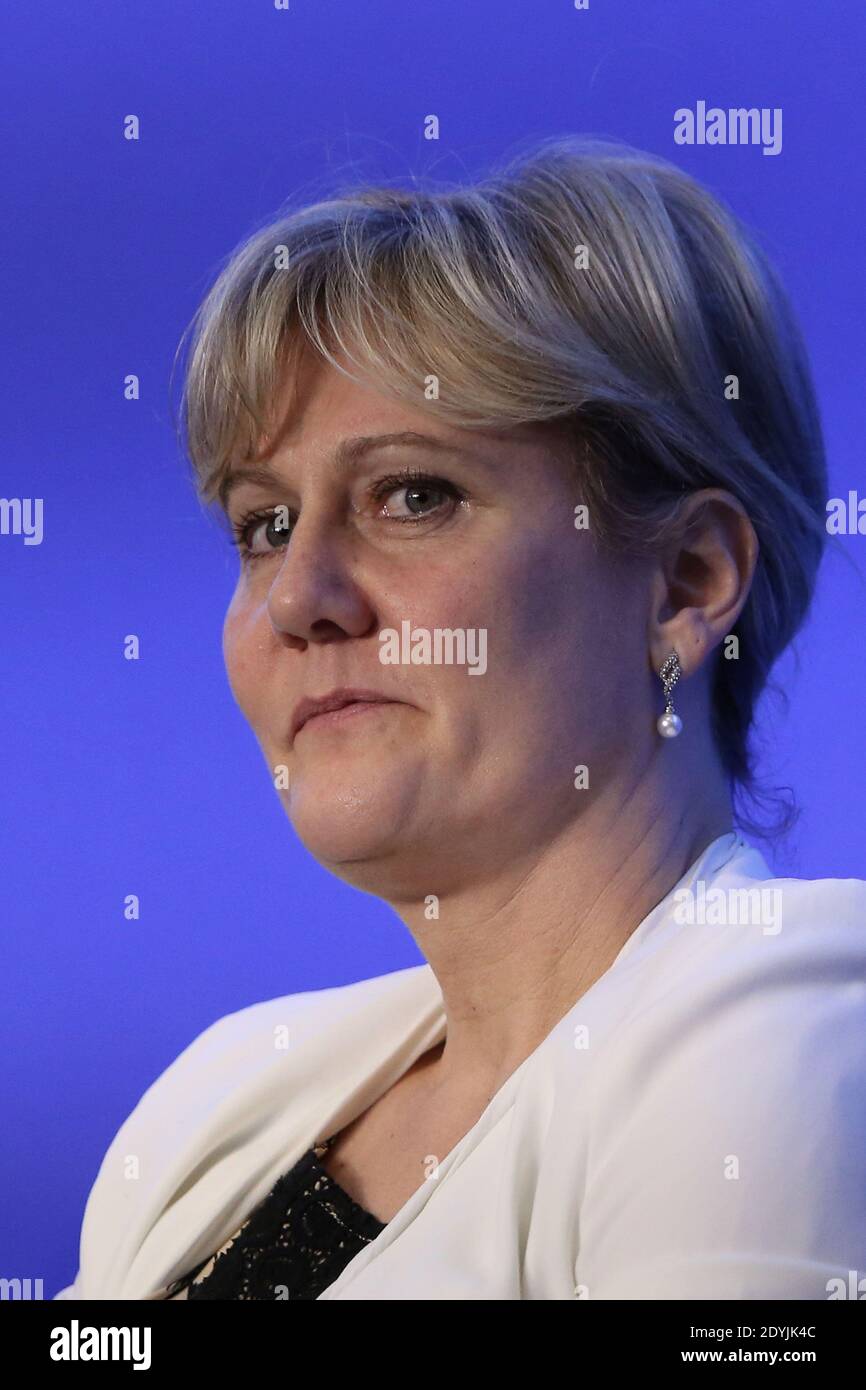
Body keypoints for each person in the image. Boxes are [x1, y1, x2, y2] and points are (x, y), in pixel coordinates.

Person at [55, 136, 866, 1300]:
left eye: (412, 496)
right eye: (264, 525)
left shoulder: (787, 1029)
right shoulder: (222, 1095)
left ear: (686, 580)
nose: (297, 597)